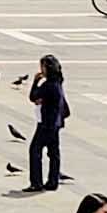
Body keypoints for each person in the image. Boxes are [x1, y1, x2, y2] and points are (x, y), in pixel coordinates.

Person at [25, 53, 71, 192]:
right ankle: (53, 181)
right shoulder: (58, 82)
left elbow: (33, 96)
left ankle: (36, 182)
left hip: (46, 124)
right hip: (56, 123)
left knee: (35, 150)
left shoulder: (48, 85)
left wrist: (35, 81)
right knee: (53, 152)